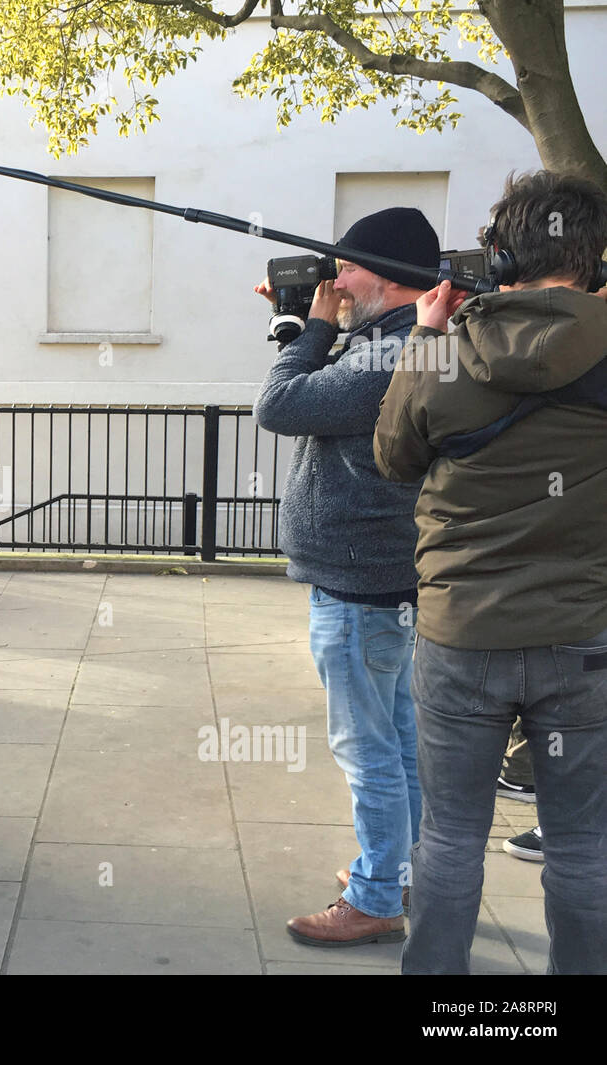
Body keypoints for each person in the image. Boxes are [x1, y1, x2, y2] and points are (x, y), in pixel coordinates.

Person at [375, 170, 607, 974]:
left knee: (448, 835)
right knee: (582, 844)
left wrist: (424, 338)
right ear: (596, 262)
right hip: (583, 639)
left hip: (461, 631)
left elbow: (394, 458)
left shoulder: (444, 352)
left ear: (499, 254)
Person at [253, 207, 440, 946]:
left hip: (360, 589)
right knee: (398, 740)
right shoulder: (410, 342)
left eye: (346, 267)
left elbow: (280, 405)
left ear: (387, 276)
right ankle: (396, 869)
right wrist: (308, 322)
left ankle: (374, 898)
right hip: (385, 583)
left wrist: (320, 329)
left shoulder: (387, 355)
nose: (336, 280)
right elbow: (314, 385)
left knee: (368, 750)